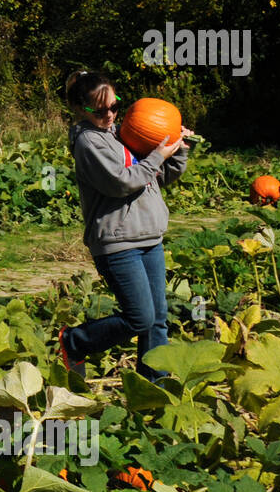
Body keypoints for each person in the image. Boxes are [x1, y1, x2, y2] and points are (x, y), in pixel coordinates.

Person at [58, 70, 194, 382]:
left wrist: (178, 151)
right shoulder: (88, 143)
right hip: (118, 243)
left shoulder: (125, 134)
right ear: (80, 108)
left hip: (149, 237)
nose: (109, 115)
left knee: (157, 319)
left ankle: (153, 388)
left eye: (114, 106)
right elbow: (122, 182)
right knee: (139, 317)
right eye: (99, 109)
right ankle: (74, 342)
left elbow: (155, 179)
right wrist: (157, 155)